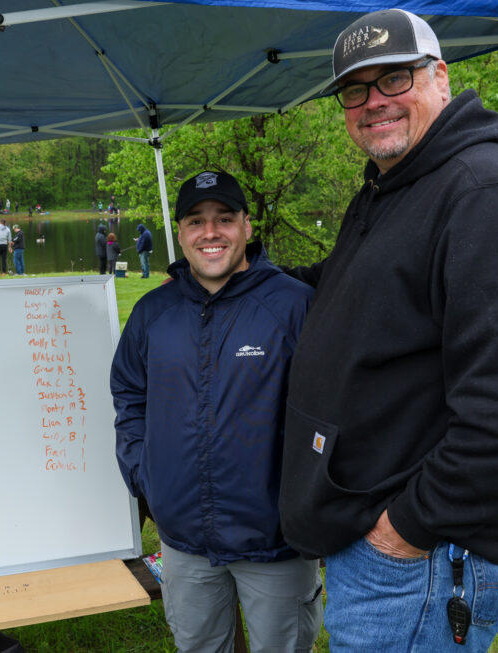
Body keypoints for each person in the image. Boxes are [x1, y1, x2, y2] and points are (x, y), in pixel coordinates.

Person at [277, 10, 498, 652]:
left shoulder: (487, 193)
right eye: (356, 90)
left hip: (424, 560)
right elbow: (352, 283)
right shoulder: (396, 185)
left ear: (439, 76)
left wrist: (403, 530)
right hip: (379, 546)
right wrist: (240, 281)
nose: (373, 103)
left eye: (394, 79)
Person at [112, 171, 322, 653]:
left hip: (275, 541)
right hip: (184, 540)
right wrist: (144, 473)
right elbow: (128, 392)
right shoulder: (152, 312)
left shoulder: (294, 306)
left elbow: (332, 412)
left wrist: (310, 493)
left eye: (224, 219)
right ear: (181, 232)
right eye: (196, 221)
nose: (211, 232)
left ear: (247, 226)